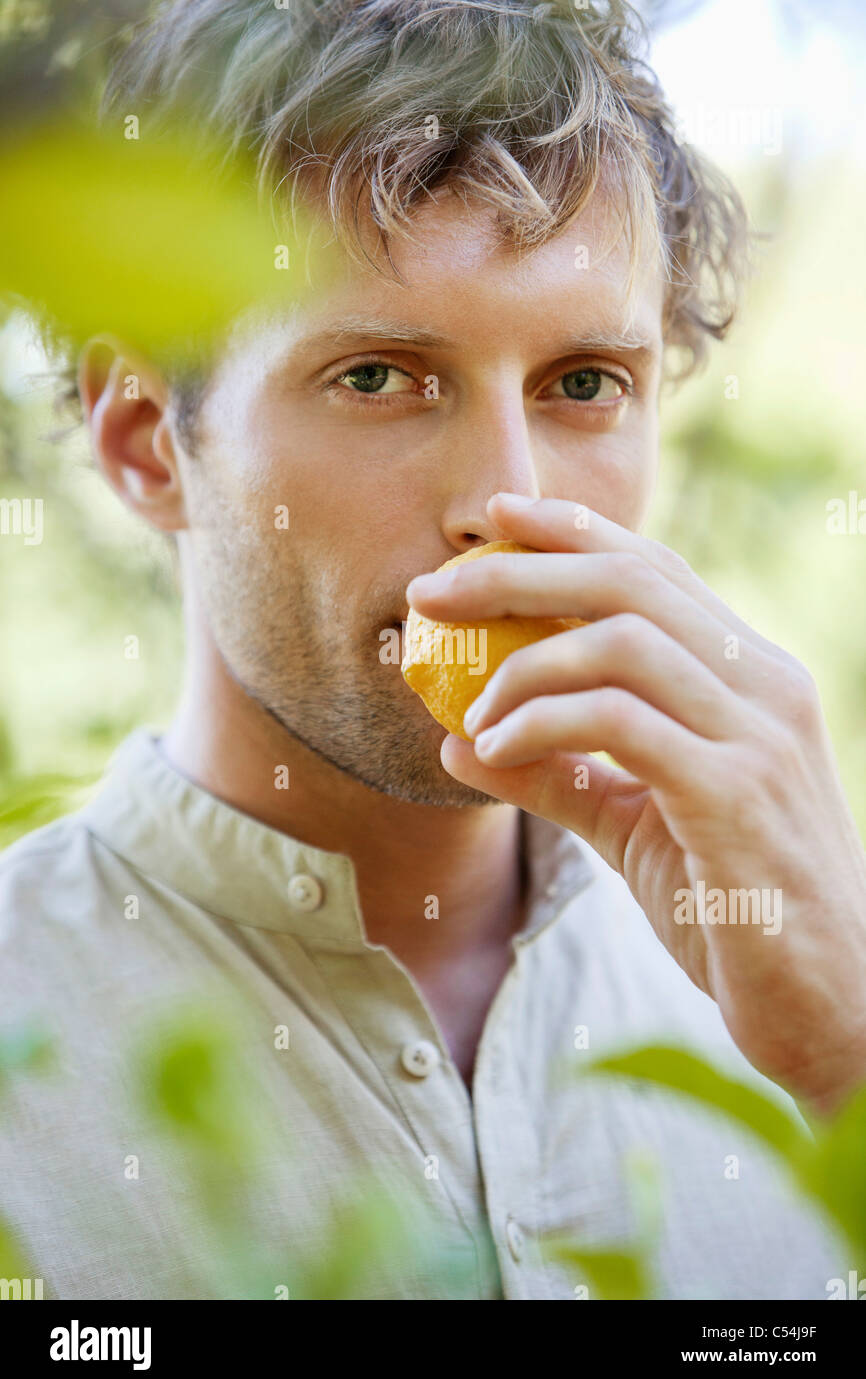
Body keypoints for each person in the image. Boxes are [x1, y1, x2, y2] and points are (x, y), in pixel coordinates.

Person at [0, 0, 863, 1300]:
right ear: (146, 442)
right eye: (377, 376)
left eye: (580, 383)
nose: (505, 502)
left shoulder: (793, 980)